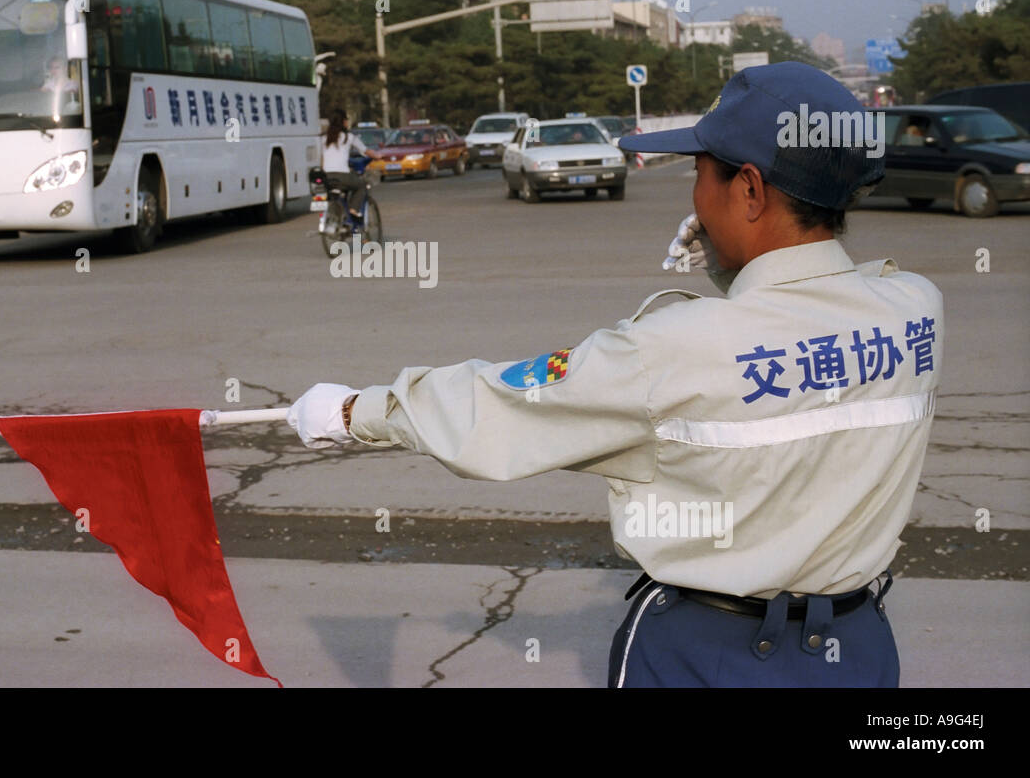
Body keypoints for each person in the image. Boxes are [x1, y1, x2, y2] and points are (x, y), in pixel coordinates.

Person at [287, 62, 943, 687]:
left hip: (706, 655)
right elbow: (799, 317)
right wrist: (738, 261)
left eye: (700, 172)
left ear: (748, 189)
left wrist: (352, 412)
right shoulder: (916, 309)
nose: (695, 194)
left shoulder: (667, 352)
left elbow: (505, 406)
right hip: (856, 647)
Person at [321, 109, 370, 221]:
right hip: (342, 176)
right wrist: (379, 155)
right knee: (361, 185)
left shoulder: (323, 138)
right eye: (346, 120)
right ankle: (353, 209)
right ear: (343, 121)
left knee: (339, 193)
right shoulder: (348, 137)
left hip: (326, 177)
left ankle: (340, 218)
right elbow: (365, 151)